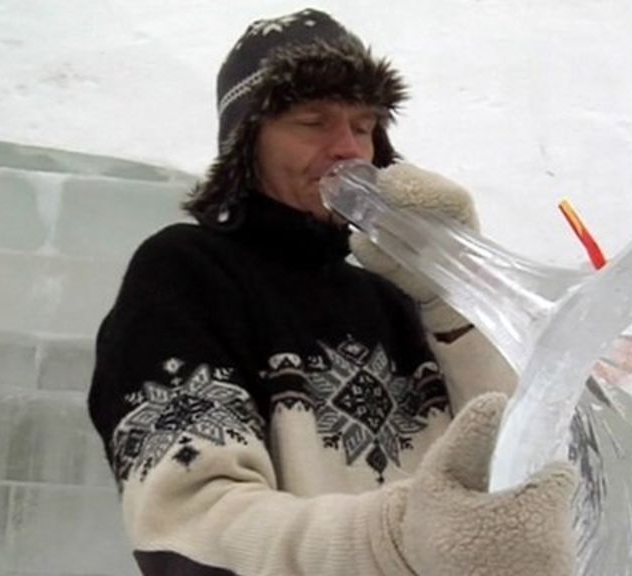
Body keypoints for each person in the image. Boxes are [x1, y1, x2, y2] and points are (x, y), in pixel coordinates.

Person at [88, 8, 577, 576]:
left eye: (364, 127)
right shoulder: (185, 273)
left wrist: (458, 292)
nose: (348, 148)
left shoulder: (399, 297)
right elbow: (190, 529)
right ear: (247, 142)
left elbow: (520, 471)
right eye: (313, 121)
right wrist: (393, 542)